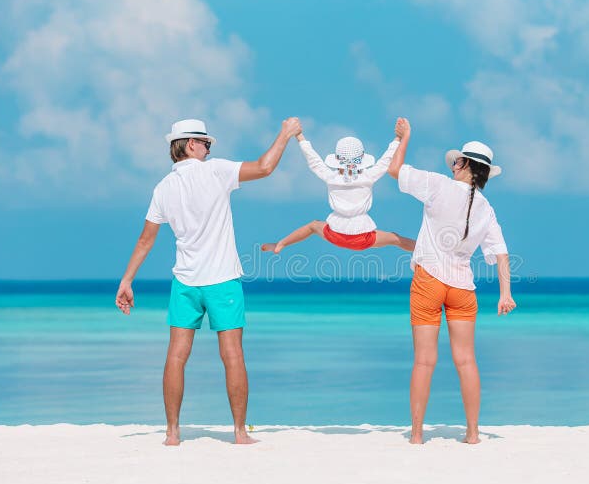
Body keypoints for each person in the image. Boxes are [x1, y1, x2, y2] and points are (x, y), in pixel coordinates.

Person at [115, 117, 302, 446]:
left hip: (185, 283)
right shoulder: (216, 172)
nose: (209, 148)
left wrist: (127, 280)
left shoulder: (163, 188)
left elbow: (146, 240)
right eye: (206, 143)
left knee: (176, 356)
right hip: (222, 281)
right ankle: (240, 433)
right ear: (190, 144)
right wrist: (286, 133)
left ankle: (172, 434)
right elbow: (265, 167)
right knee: (232, 356)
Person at [387, 117, 516, 444]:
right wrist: (505, 294)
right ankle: (472, 434)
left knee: (424, 360)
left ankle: (416, 435)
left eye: (455, 161)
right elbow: (501, 253)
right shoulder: (487, 209)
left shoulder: (437, 185)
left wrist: (404, 137)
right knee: (466, 360)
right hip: (463, 288)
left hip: (429, 281)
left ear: (461, 164)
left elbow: (394, 170)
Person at [261, 131, 415, 254]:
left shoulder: (331, 177)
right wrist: (397, 138)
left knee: (313, 226)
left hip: (334, 234)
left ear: (337, 159)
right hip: (362, 237)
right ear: (361, 160)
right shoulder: (368, 177)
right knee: (396, 239)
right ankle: (428, 251)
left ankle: (280, 244)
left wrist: (299, 136)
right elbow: (385, 161)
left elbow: (313, 160)